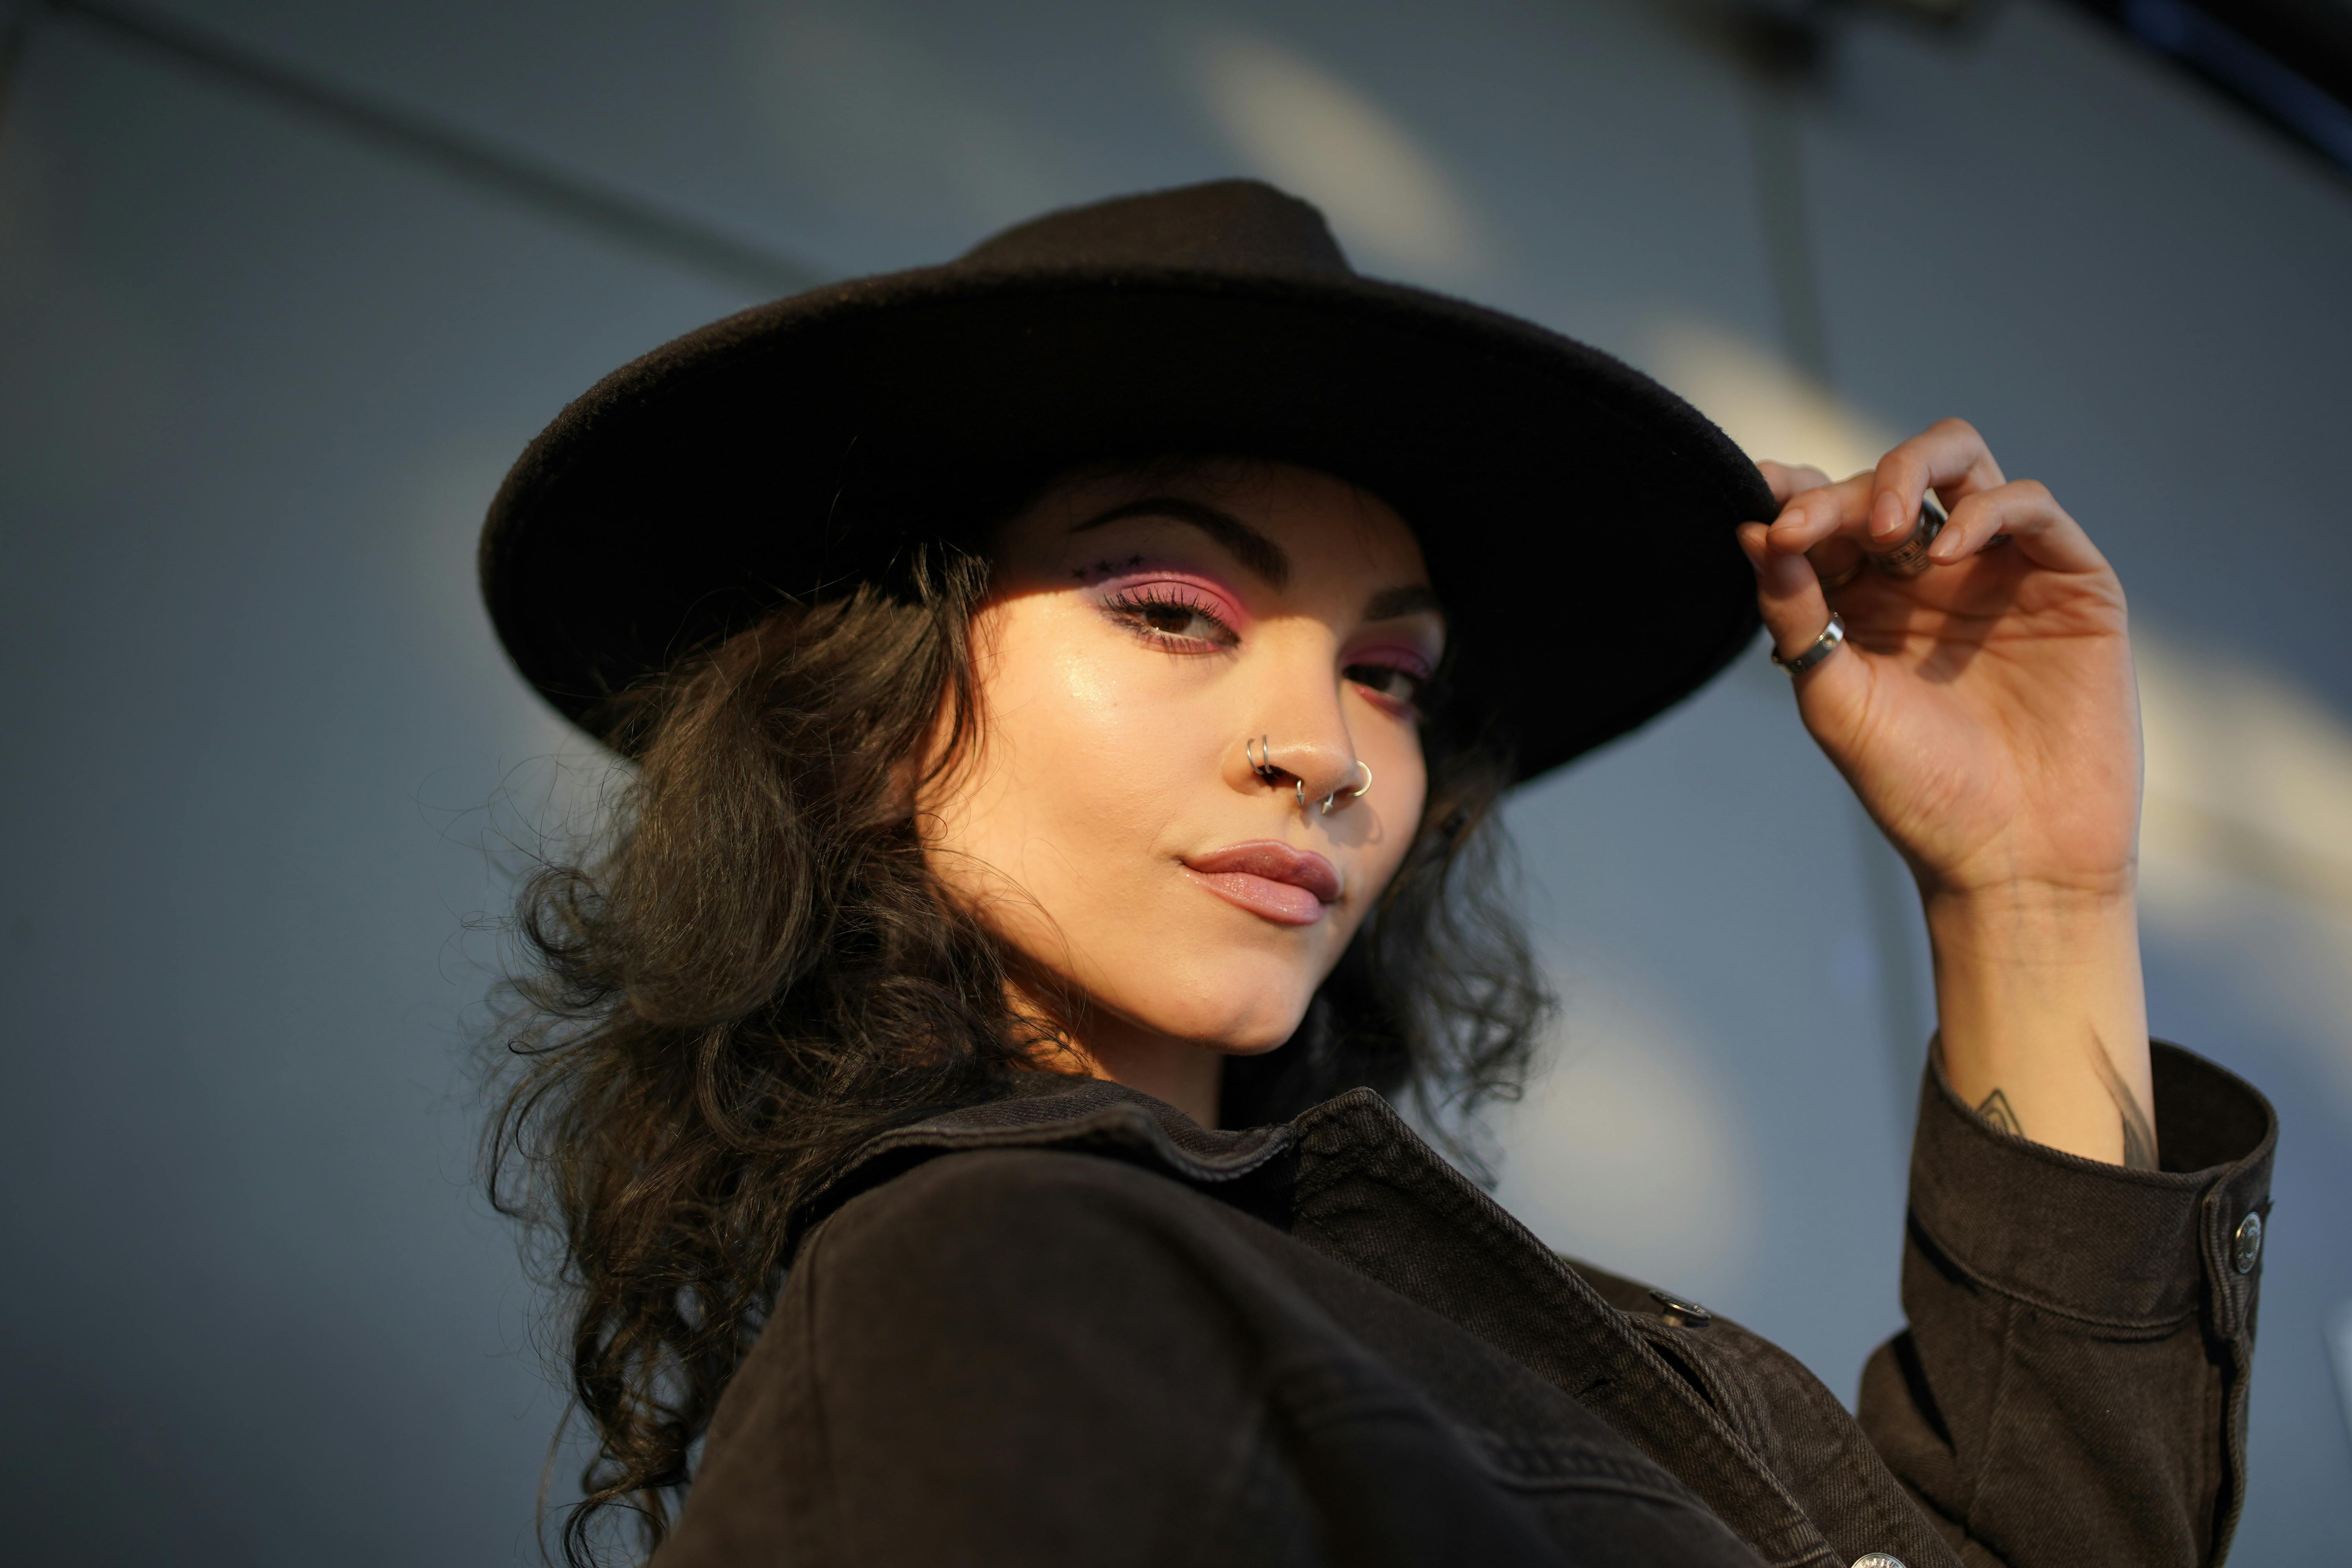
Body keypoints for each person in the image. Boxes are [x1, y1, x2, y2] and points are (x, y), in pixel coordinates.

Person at [479, 181, 2274, 1568]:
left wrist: (2032, 889)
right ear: (868, 713)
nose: (1325, 750)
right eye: (1175, 607)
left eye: (1388, 675)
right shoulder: (987, 1284)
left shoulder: (1367, 1301)